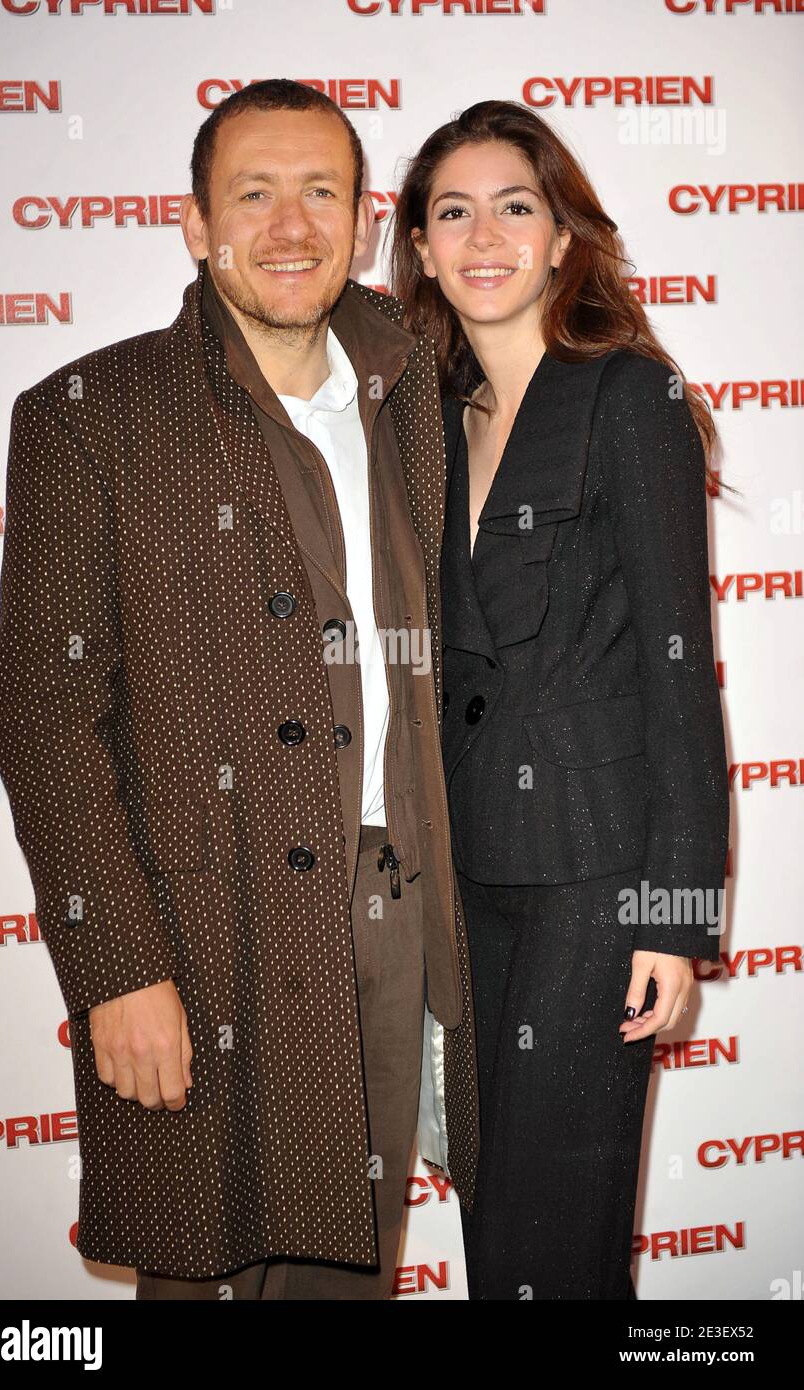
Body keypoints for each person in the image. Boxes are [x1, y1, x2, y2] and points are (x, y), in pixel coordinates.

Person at [0, 78, 479, 1301]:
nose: (291, 226)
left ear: (366, 220)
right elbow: (48, 720)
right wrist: (113, 967)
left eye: (322, 192)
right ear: (197, 223)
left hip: (394, 913)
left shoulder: (421, 394)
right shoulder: (88, 415)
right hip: (204, 932)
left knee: (339, 1278)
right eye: (252, 194)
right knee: (206, 1276)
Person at [390, 99, 730, 1300]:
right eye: (452, 211)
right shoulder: (421, 423)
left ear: (560, 236)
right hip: (461, 874)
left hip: (597, 878)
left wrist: (675, 913)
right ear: (420, 249)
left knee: (558, 1225)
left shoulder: (626, 395)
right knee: (496, 1212)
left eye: (514, 206)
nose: (484, 235)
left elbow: (680, 664)